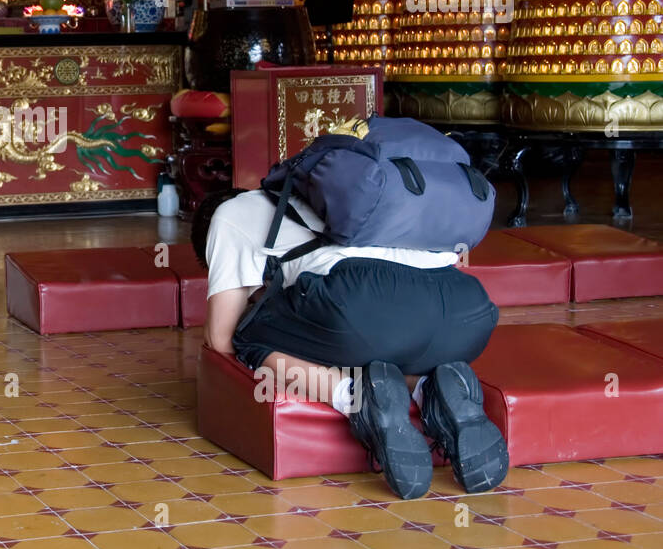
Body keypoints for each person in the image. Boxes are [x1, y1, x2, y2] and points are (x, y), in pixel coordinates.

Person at [192, 186, 507, 500]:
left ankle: (356, 397)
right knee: (375, 335)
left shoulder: (227, 216)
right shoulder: (325, 193)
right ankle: (429, 390)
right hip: (466, 312)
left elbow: (219, 339)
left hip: (361, 303)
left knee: (247, 337)